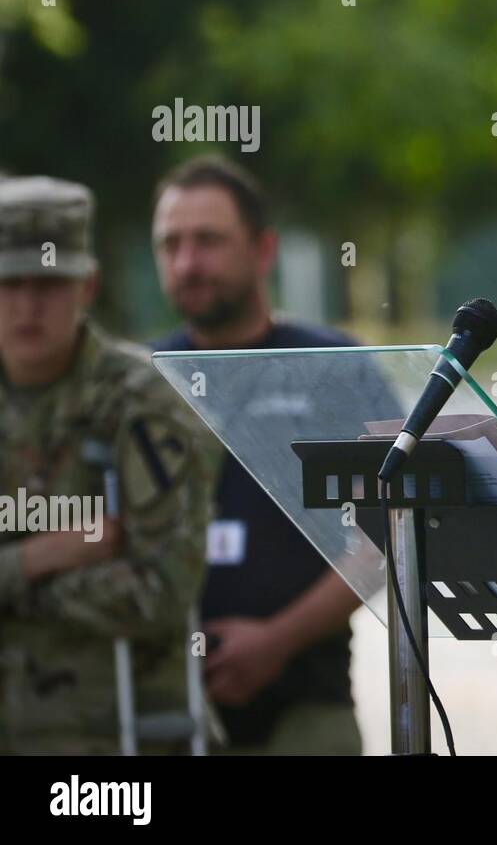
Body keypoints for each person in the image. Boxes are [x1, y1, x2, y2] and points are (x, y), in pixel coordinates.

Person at [151, 155, 365, 755]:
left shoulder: (331, 366)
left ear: (263, 249)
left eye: (209, 241)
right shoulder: (137, 382)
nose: (187, 262)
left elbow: (387, 538)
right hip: (163, 707)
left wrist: (276, 640)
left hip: (308, 702)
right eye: (170, 244)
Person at [0, 175, 217, 754]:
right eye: (9, 283)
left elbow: (162, 591)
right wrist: (38, 559)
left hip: (113, 738)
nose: (26, 305)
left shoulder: (144, 404)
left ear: (87, 286)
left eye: (47, 283)